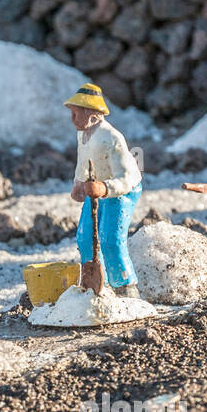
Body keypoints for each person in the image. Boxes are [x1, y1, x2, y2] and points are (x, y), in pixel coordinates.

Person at [66, 83, 143, 299]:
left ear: (91, 114)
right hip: (96, 189)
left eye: (75, 114)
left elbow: (127, 177)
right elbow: (83, 162)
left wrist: (105, 188)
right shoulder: (82, 135)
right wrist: (78, 182)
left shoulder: (111, 138)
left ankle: (125, 287)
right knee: (84, 236)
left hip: (121, 191)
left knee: (110, 238)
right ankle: (99, 286)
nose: (72, 119)